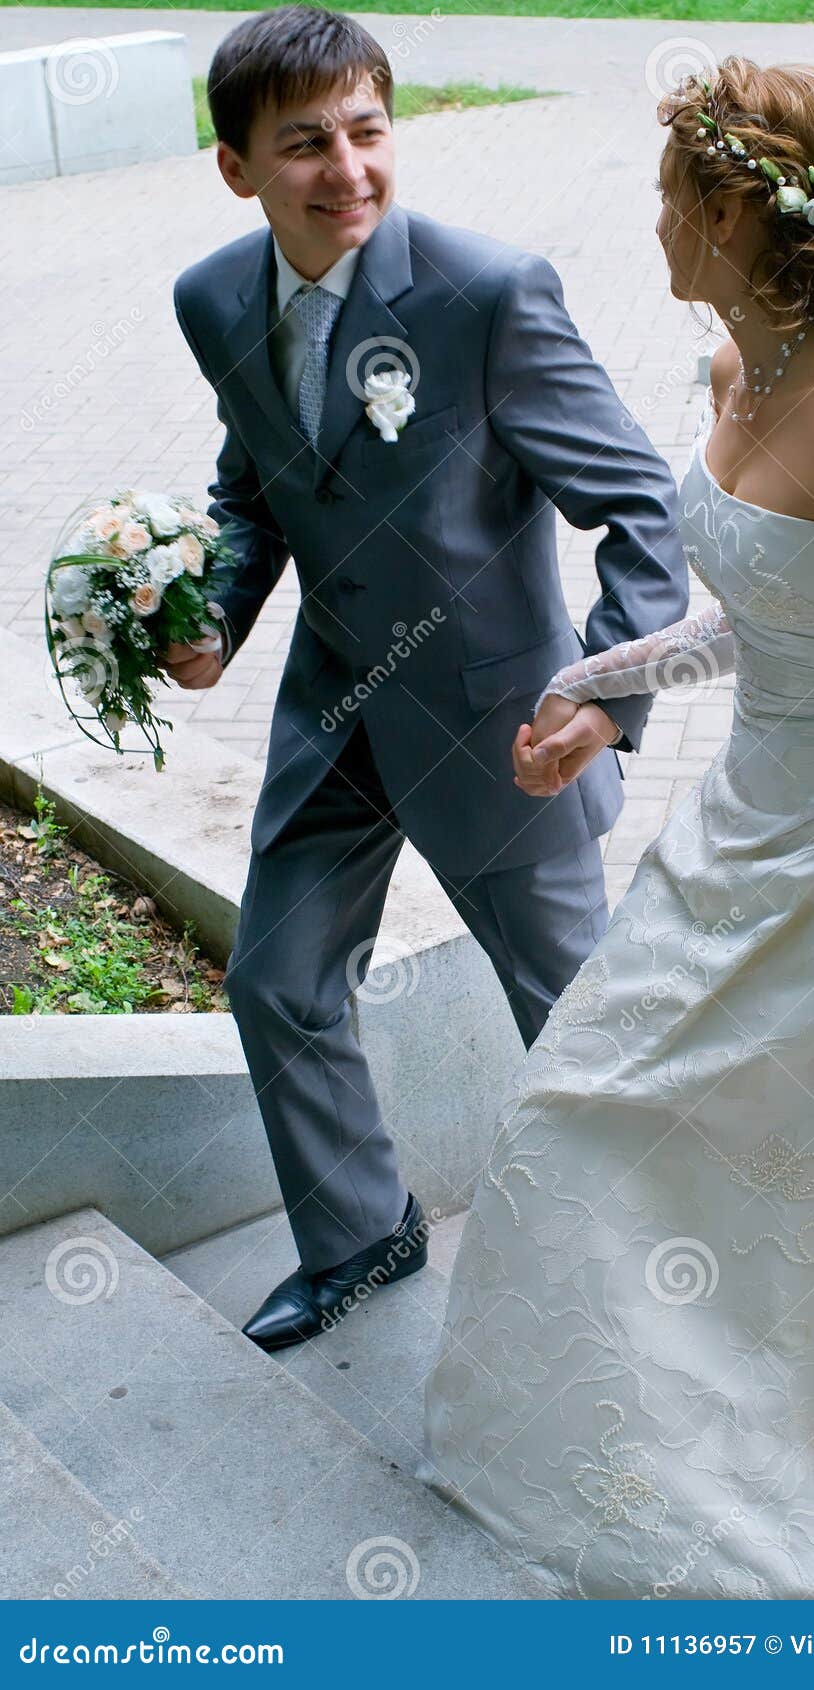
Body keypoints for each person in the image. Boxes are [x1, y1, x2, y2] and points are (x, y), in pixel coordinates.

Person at [419, 56, 814, 1600]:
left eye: (664, 197)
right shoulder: (734, 374)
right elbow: (749, 617)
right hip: (740, 822)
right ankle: (675, 1441)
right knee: (589, 1103)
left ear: (724, 211)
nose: (648, 223)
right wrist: (589, 679)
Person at [165, 5, 689, 1353]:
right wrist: (214, 616)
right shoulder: (212, 296)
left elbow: (643, 508)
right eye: (302, 146)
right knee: (275, 979)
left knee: (575, 1028)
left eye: (366, 132)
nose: (346, 169)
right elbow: (255, 488)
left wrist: (601, 692)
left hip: (499, 724)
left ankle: (651, 1295)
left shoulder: (486, 290)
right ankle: (358, 1237)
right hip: (332, 706)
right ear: (236, 167)